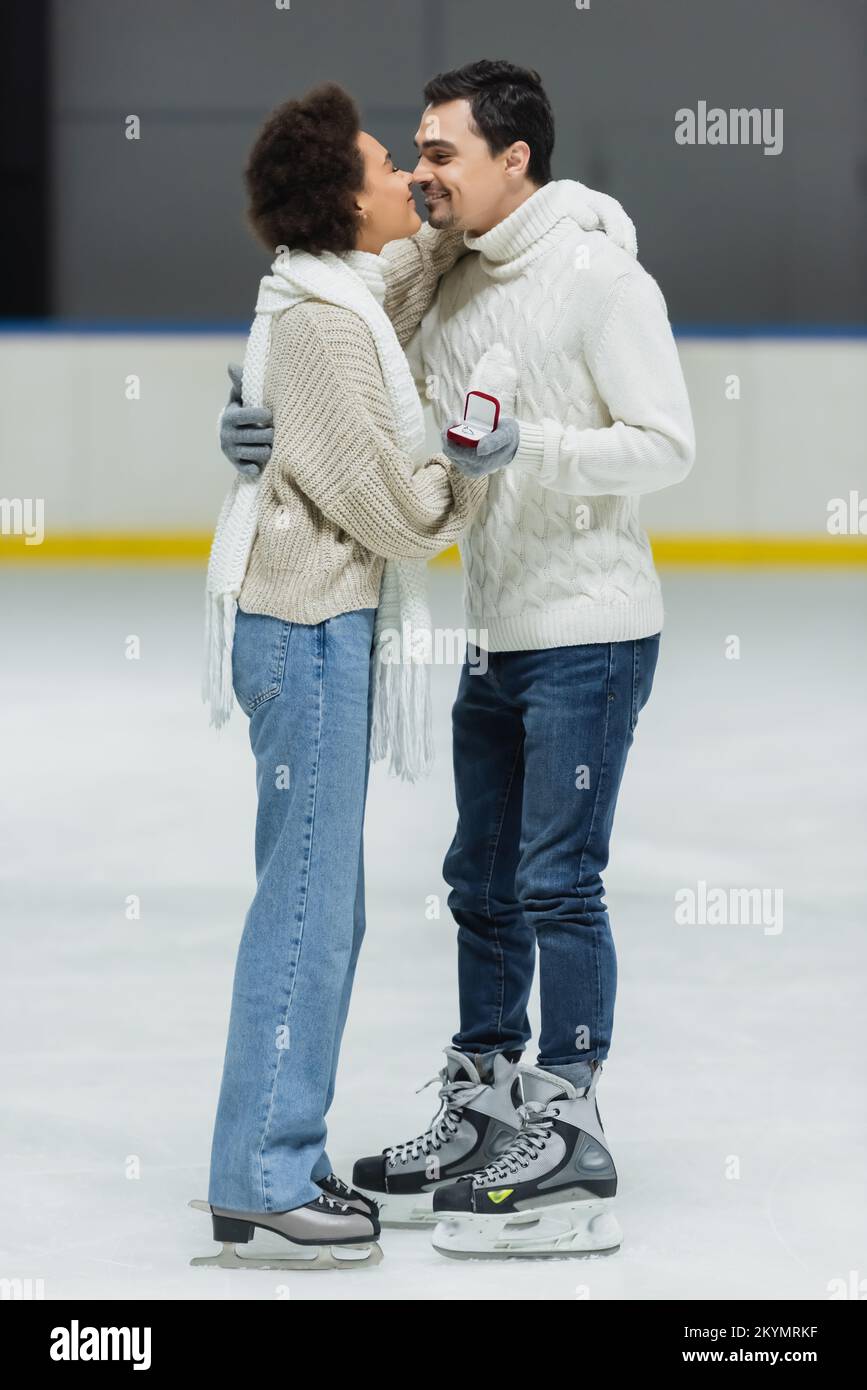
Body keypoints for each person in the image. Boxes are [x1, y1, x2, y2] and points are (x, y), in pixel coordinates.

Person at [219, 60, 695, 1259]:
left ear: (515, 159)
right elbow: (330, 337)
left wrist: (525, 449)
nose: (421, 176)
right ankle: (485, 1097)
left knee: (555, 882)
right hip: (490, 628)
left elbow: (666, 444)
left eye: (439, 154)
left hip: (587, 626)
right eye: (407, 157)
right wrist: (249, 416)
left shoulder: (598, 274)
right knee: (475, 883)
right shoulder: (437, 276)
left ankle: (568, 1113)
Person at [193, 81, 509, 1272]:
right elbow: (398, 513)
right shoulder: (327, 327)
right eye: (388, 164)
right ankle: (262, 1177)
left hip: (314, 628)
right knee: (310, 909)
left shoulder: (332, 290)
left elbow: (409, 271)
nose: (405, 180)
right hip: (309, 625)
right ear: (338, 196)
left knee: (326, 904)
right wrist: (472, 464)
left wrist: (477, 208)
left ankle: (273, 1155)